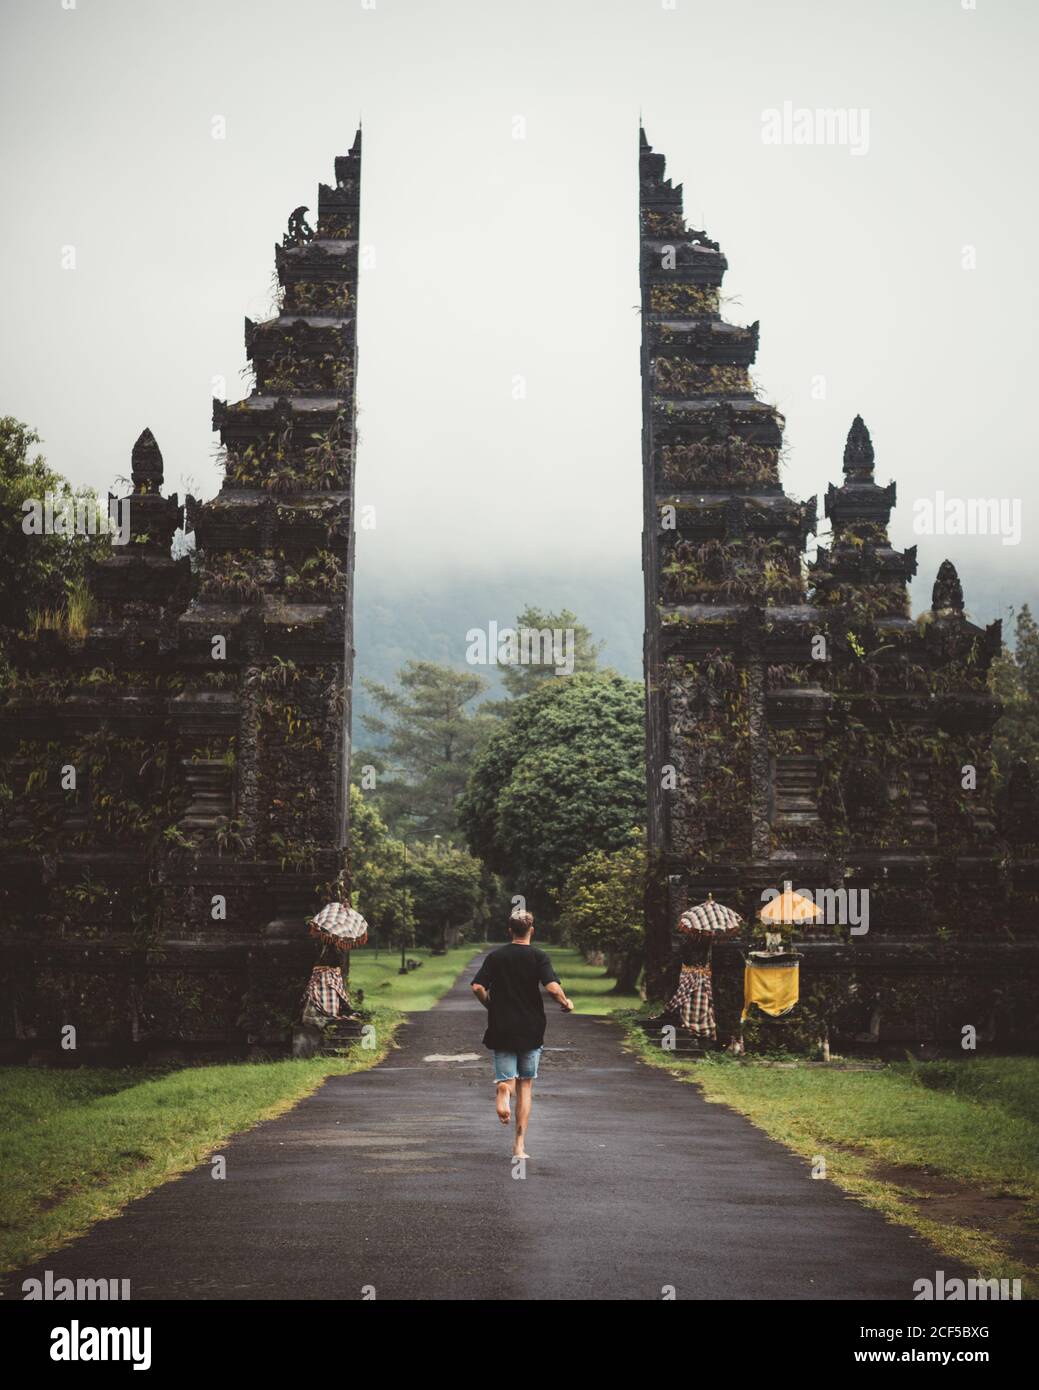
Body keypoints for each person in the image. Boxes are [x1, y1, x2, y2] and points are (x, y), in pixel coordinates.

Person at [470, 909, 573, 1159]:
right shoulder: (539, 956)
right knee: (526, 1084)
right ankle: (519, 1146)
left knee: (508, 1079)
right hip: (531, 1028)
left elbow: (477, 986)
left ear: (509, 931)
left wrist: (490, 1004)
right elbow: (551, 986)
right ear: (532, 931)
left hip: (502, 1026)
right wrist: (565, 1002)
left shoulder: (496, 956)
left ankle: (504, 1089)